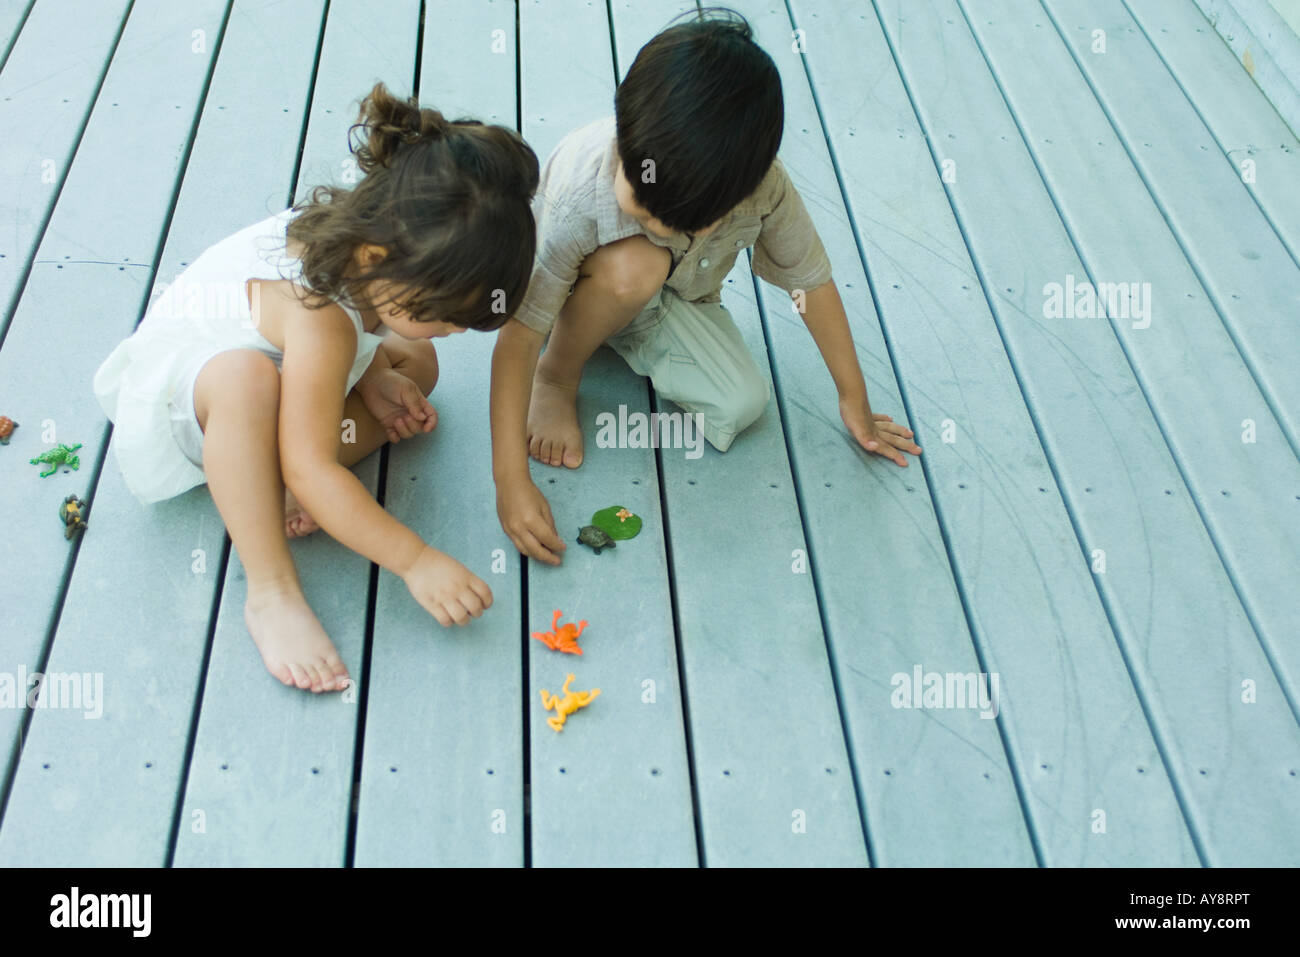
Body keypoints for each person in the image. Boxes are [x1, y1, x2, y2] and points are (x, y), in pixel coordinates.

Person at [94, 83, 539, 692]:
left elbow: (359, 338)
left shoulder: (370, 239)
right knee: (248, 383)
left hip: (289, 380)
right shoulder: (319, 315)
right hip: (195, 408)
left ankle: (270, 485)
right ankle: (271, 591)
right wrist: (415, 560)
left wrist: (379, 373)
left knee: (419, 364)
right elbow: (314, 383)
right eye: (447, 313)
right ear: (382, 257)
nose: (458, 330)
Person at [490, 9, 921, 566]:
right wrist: (510, 479)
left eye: (674, 220)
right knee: (637, 265)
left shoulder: (761, 187)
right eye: (638, 198)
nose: (648, 216)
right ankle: (563, 370)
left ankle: (624, 332)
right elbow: (521, 331)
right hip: (584, 288)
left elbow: (810, 285)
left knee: (743, 405)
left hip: (673, 297)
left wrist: (853, 397)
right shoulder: (582, 192)